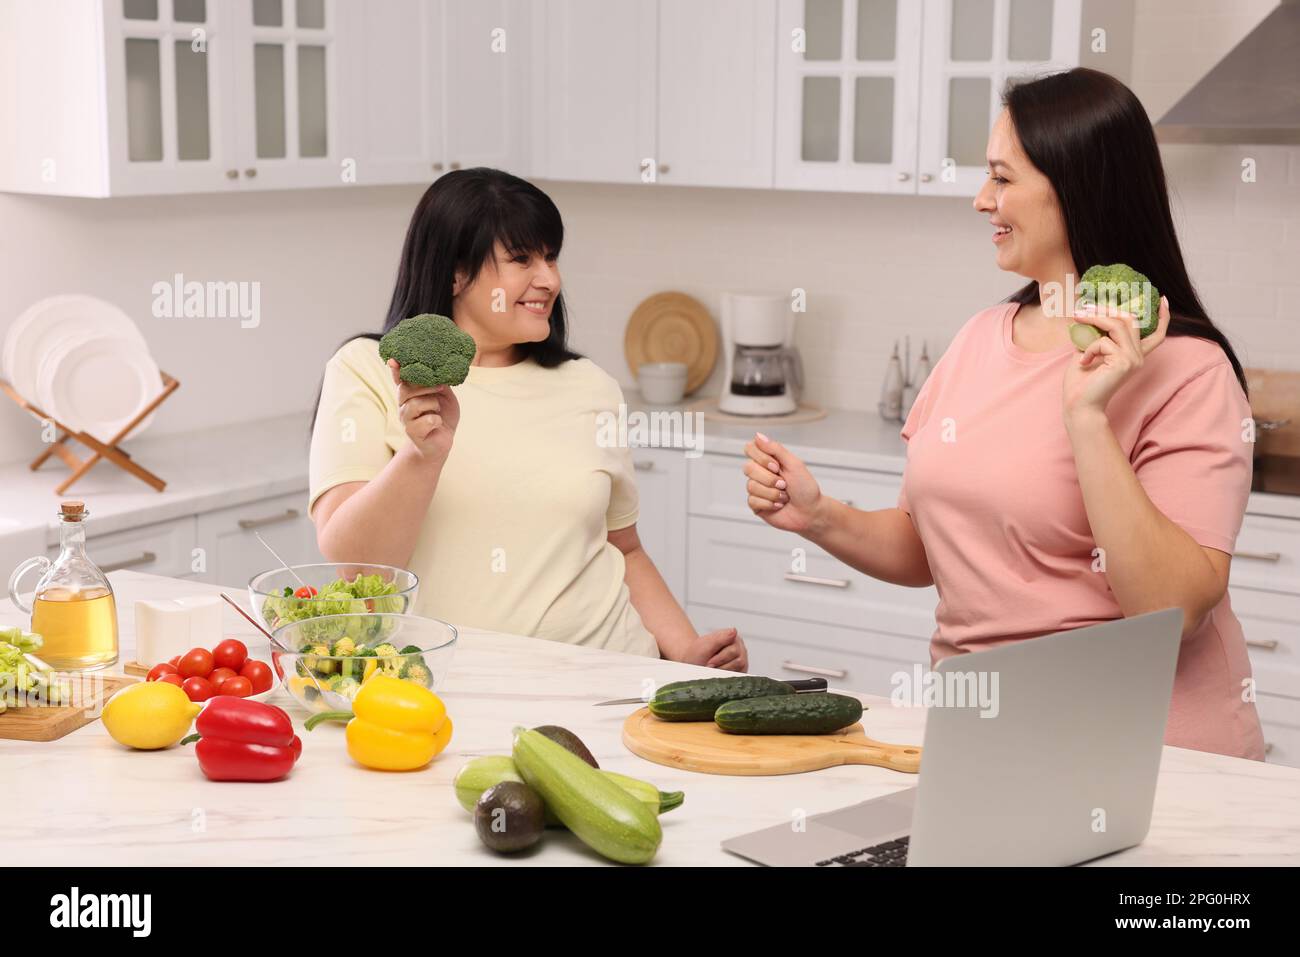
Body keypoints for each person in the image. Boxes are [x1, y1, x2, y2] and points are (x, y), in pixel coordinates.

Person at [742, 68, 1263, 759]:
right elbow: (932, 544)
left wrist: (1087, 420)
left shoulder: (1186, 368)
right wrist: (818, 515)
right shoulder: (980, 338)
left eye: (1003, 178)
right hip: (985, 745)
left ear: (1078, 185)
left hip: (1149, 758)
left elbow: (1173, 611)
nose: (982, 201)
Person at [310, 168, 746, 670]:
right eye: (522, 260)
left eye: (551, 257)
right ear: (455, 270)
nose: (550, 280)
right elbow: (358, 568)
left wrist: (687, 651)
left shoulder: (591, 386)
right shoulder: (371, 369)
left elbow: (623, 549)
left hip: (610, 677)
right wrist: (422, 455)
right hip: (445, 684)